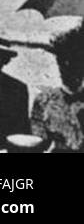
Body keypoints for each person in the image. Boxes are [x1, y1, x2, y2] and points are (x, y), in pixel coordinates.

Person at [30, 21, 84, 152]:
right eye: (65, 63)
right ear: (59, 65)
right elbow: (38, 142)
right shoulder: (44, 101)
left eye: (78, 64)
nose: (71, 71)